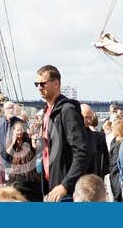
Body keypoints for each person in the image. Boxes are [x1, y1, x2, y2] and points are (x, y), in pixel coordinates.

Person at [34, 64, 92, 202]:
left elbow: (82, 151)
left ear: (56, 83)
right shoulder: (48, 112)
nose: (39, 87)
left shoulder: (67, 110)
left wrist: (65, 185)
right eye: (37, 84)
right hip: (51, 188)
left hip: (64, 191)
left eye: (43, 83)